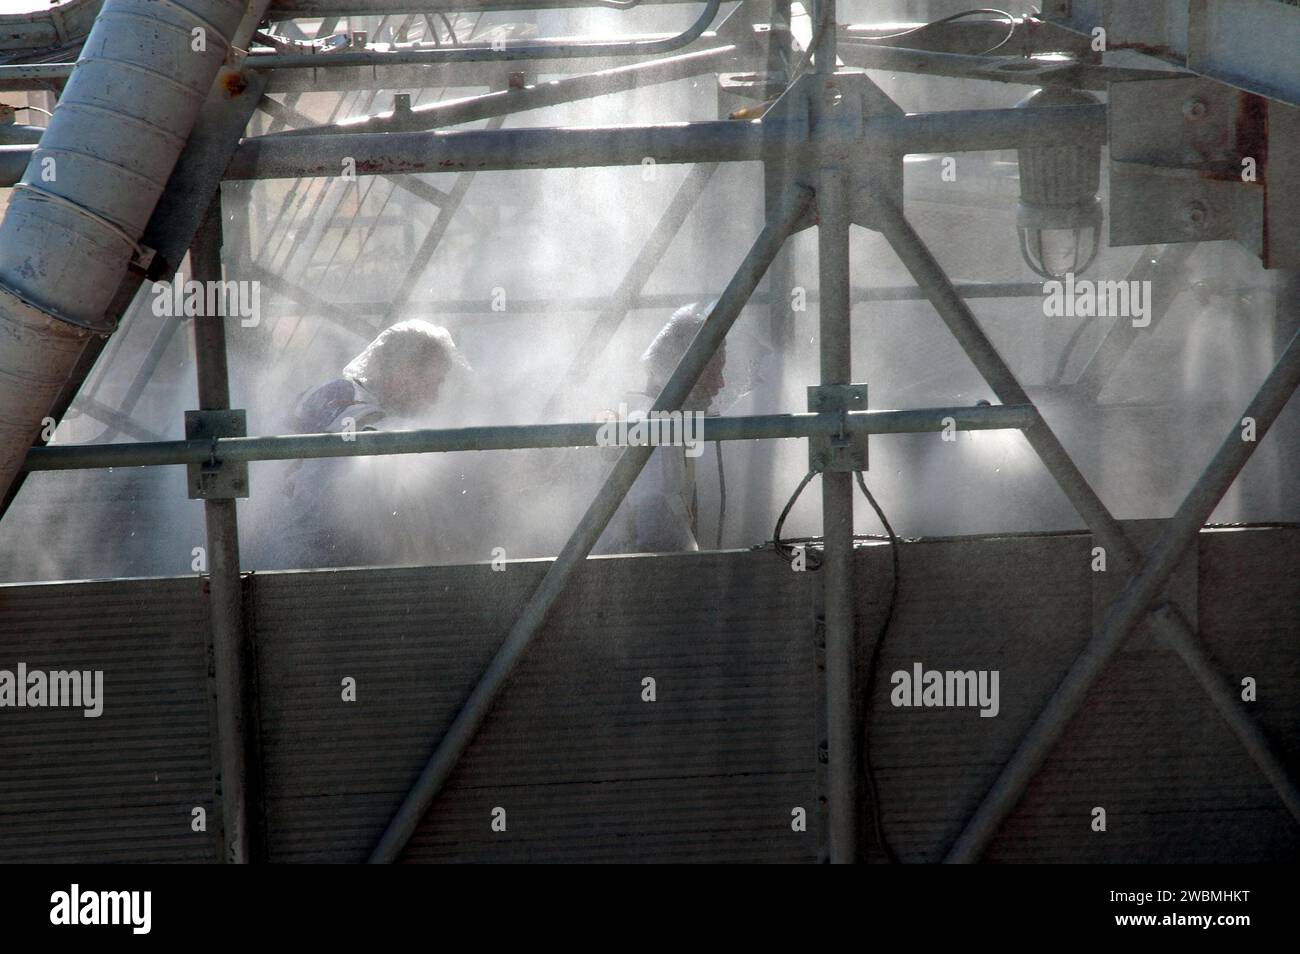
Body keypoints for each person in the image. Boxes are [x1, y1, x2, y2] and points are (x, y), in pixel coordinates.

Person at [274, 319, 472, 568]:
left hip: (338, 556)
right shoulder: (338, 393)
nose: (434, 398)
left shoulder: (379, 409)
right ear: (404, 371)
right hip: (300, 559)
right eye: (434, 383)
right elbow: (370, 428)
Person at [594, 302, 726, 555]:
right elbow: (659, 536)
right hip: (631, 579)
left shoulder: (651, 418)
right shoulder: (654, 430)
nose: (721, 383)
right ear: (680, 371)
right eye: (713, 369)